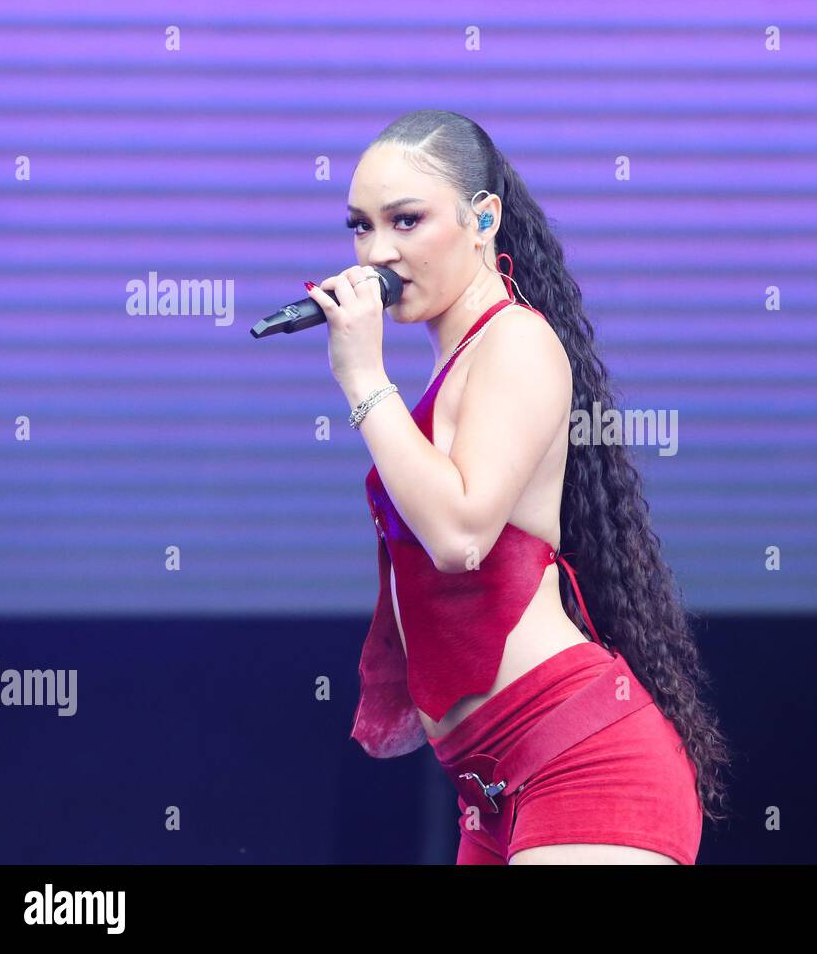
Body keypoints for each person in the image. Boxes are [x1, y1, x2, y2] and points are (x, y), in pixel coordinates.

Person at [308, 109, 731, 864]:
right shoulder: (459, 360)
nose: (378, 253)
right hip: (493, 793)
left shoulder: (518, 342)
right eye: (361, 227)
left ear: (484, 219)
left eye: (406, 221)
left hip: (585, 765)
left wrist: (364, 378)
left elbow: (461, 535)